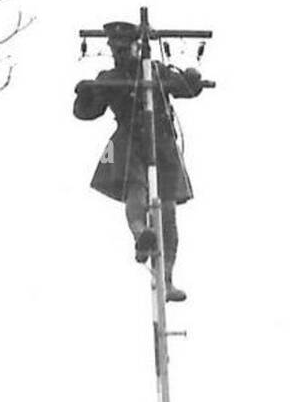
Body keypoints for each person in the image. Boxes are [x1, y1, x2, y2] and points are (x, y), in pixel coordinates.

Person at [73, 20, 207, 303]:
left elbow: (186, 87)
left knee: (168, 209)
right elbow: (86, 111)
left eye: (126, 49)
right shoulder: (110, 77)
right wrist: (86, 94)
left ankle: (167, 278)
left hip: (162, 142)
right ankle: (141, 234)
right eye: (116, 50)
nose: (120, 55)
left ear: (137, 45)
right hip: (126, 142)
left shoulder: (156, 70)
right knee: (135, 188)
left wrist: (192, 78)